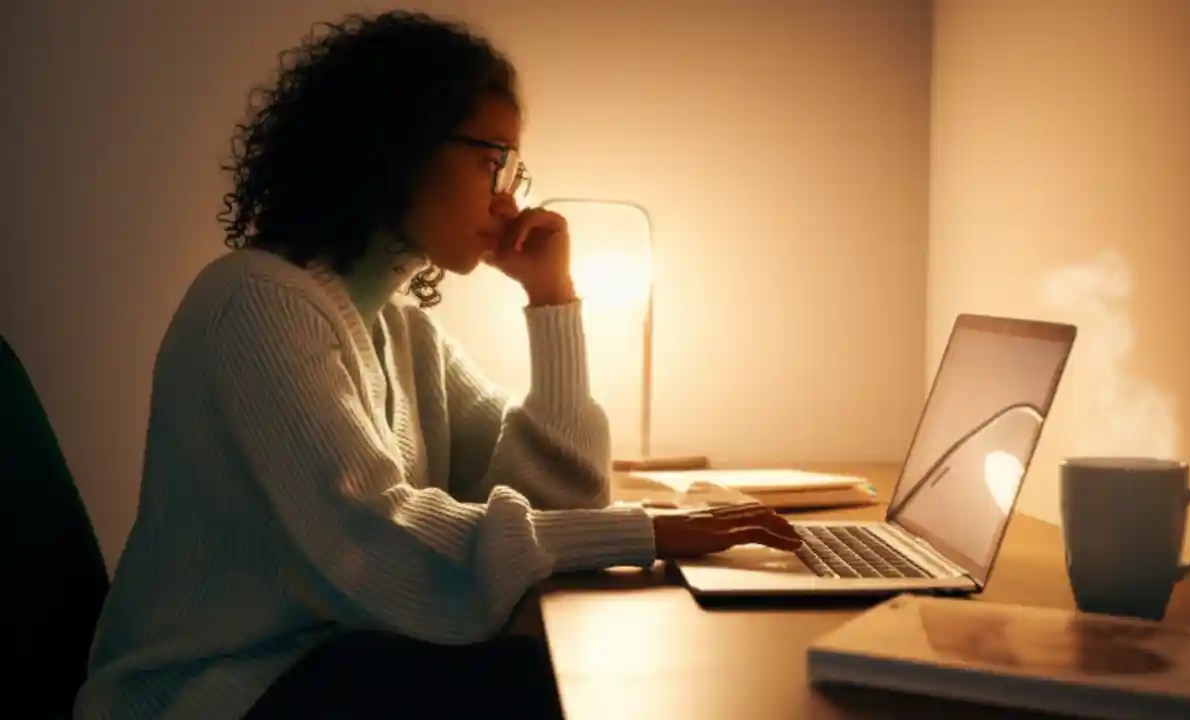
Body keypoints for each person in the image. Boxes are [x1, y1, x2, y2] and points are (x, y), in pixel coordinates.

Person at [75, 10, 801, 719]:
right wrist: (643, 529)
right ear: (395, 146)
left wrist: (554, 303)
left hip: (330, 659)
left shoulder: (398, 328)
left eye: (512, 166)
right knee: (576, 681)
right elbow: (377, 544)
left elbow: (559, 503)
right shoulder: (256, 303)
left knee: (583, 661)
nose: (508, 196)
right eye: (492, 160)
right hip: (216, 691)